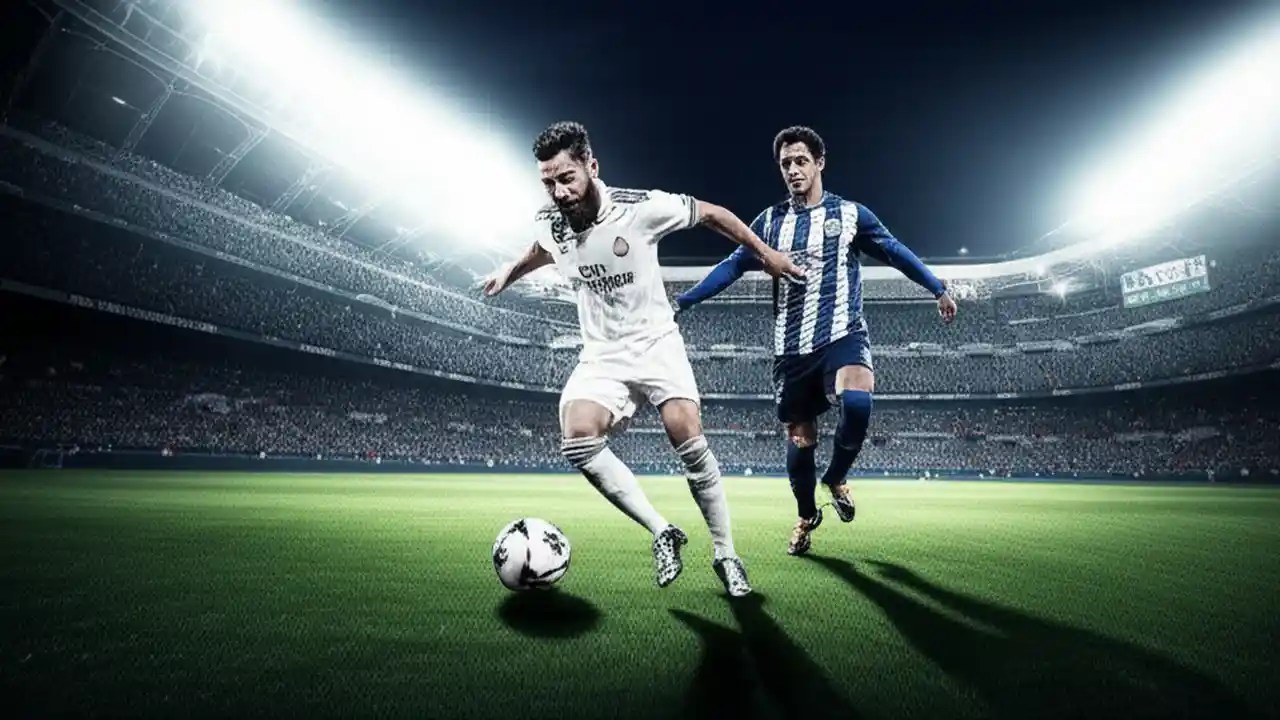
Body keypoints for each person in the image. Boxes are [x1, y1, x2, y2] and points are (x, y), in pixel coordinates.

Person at [481, 121, 804, 596]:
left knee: (686, 436)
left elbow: (712, 214)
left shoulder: (640, 208)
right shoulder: (550, 219)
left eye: (567, 178)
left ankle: (726, 554)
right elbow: (543, 248)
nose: (559, 192)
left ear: (592, 167)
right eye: (549, 183)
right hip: (602, 355)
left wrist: (767, 254)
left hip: (655, 343)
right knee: (576, 438)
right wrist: (509, 270)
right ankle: (662, 530)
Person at [676, 126, 957, 556]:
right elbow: (732, 265)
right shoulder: (769, 222)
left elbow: (894, 251)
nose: (793, 170)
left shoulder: (850, 215)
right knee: (801, 440)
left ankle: (837, 476)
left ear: (820, 163)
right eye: (785, 163)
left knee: (858, 400)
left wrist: (937, 287)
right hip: (791, 348)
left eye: (801, 161)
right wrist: (685, 300)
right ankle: (806, 515)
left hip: (843, 332)